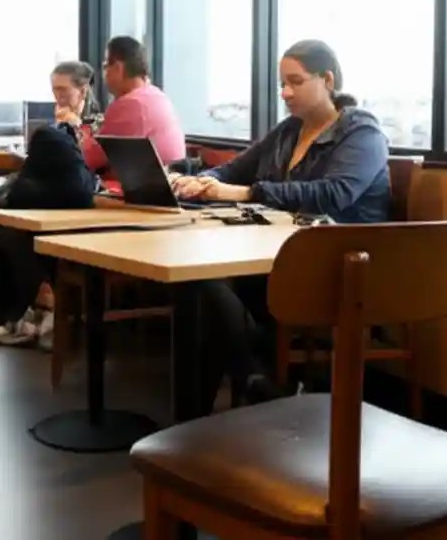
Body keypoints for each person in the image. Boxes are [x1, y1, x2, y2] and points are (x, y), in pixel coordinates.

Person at [172, 39, 390, 410]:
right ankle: (249, 382)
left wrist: (247, 193)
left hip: (339, 264)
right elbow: (234, 169)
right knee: (196, 282)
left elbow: (333, 194)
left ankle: (243, 384)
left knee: (204, 290)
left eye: (296, 82)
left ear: (327, 80)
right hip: (278, 253)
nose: (285, 92)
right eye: (282, 84)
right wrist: (199, 181)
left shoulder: (362, 133)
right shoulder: (289, 130)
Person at [0, 61, 103, 347]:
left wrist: (73, 129)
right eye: (54, 91)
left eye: (63, 90)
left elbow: (88, 166)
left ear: (82, 90)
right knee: (2, 235)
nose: (58, 97)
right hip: (58, 200)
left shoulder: (98, 124)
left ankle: (40, 310)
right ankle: (32, 309)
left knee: (17, 235)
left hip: (87, 203)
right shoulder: (59, 125)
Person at [62, 37, 185, 172]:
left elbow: (89, 159)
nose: (104, 74)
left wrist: (74, 128)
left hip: (144, 182)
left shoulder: (131, 104)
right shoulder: (157, 95)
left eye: (105, 66)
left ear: (118, 68)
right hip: (168, 176)